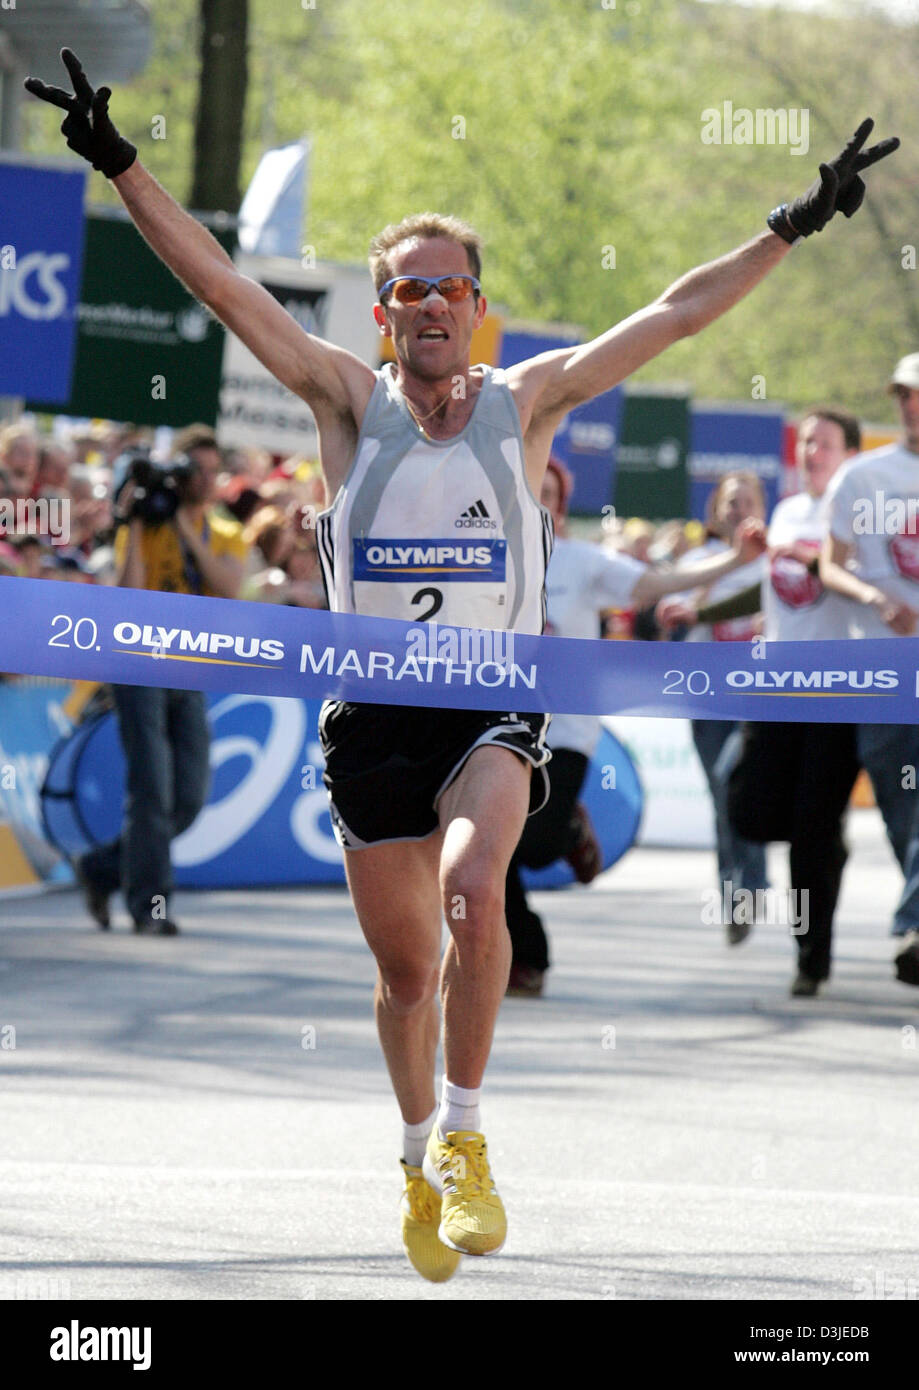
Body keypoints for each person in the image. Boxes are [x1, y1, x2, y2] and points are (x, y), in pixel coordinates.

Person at [25, 47, 899, 1280]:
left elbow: (674, 310)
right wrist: (120, 164)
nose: (430, 305)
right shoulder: (341, 402)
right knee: (402, 975)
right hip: (366, 718)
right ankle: (415, 1151)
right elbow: (223, 286)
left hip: (490, 703)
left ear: (474, 306)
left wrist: (791, 223)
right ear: (383, 313)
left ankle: (474, 1139)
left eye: (449, 287)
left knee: (474, 889)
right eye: (407, 290)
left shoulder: (526, 401)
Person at [506, 456, 766, 998]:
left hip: (564, 731)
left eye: (552, 495)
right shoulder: (490, 560)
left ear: (561, 505)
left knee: (532, 848)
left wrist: (733, 561)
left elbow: (656, 582)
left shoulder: (582, 561)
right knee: (489, 846)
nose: (542, 504)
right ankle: (526, 957)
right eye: (533, 492)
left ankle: (569, 830)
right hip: (498, 725)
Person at [659, 409, 863, 995]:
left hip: (834, 689)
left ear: (848, 453)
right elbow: (769, 583)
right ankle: (797, 865)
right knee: (742, 798)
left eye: (822, 443)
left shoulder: (854, 514)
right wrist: (703, 611)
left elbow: (855, 577)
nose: (809, 451)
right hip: (773, 685)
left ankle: (810, 957)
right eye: (803, 441)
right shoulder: (787, 511)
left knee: (809, 831)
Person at [75, 440, 248, 935]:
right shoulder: (146, 526)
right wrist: (133, 523)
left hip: (190, 668)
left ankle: (103, 867)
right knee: (151, 790)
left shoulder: (225, 530)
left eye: (213, 471)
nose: (203, 478)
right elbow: (128, 592)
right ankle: (151, 909)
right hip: (140, 664)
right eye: (194, 469)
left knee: (188, 797)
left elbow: (229, 586)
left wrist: (183, 529)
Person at [819, 356, 919, 986]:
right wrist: (874, 598)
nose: (911, 405)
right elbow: (830, 566)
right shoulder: (863, 477)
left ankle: (911, 925)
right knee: (900, 807)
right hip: (881, 671)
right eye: (904, 396)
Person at [673, 473, 770, 942]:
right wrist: (711, 580)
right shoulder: (695, 561)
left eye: (747, 501)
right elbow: (674, 621)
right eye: (731, 502)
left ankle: (751, 884)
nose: (738, 510)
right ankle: (734, 893)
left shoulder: (773, 562)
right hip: (707, 693)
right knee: (720, 791)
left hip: (759, 695)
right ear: (716, 510)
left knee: (737, 779)